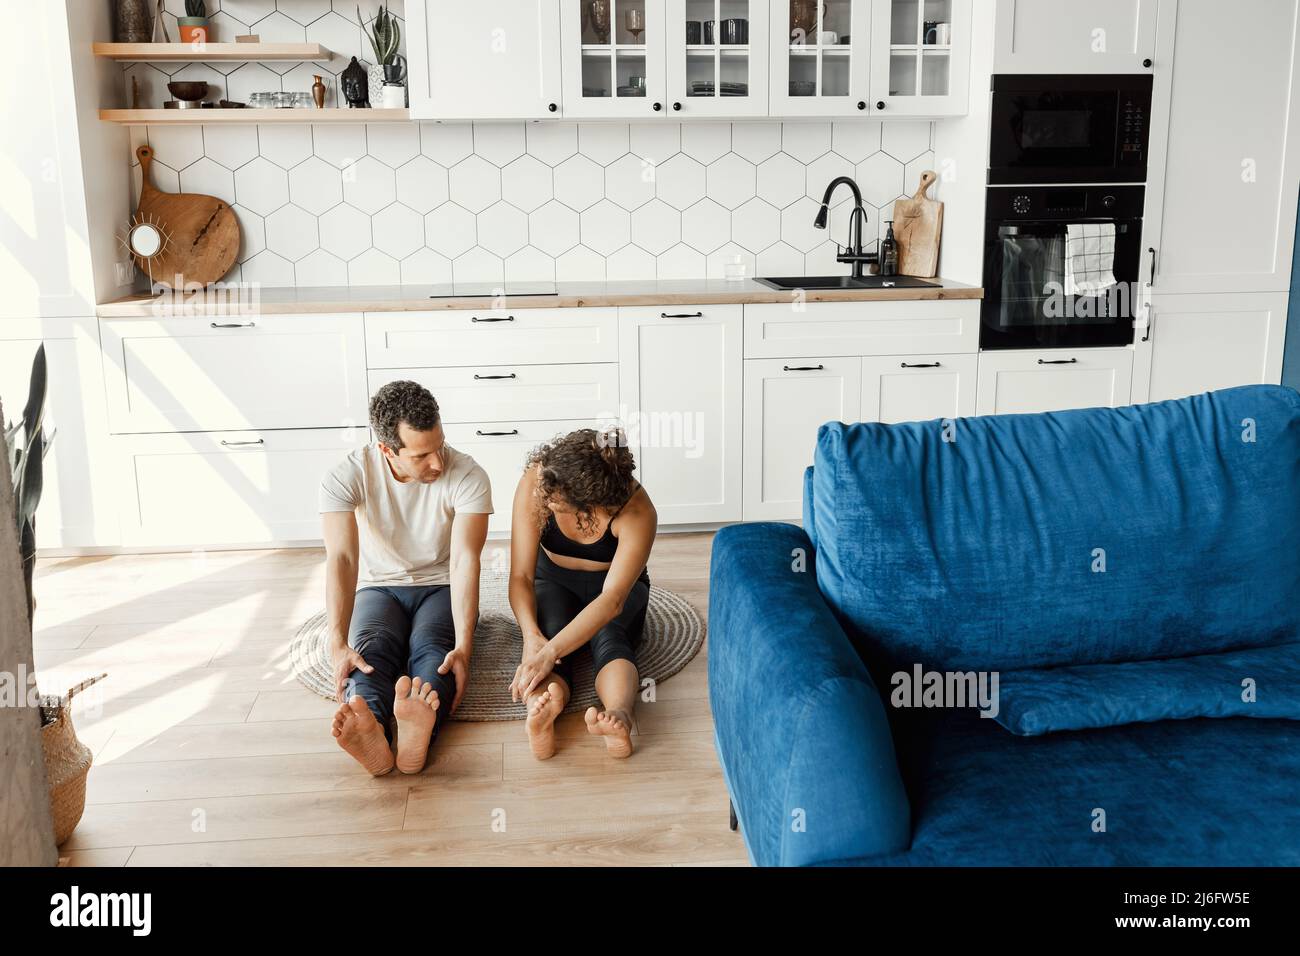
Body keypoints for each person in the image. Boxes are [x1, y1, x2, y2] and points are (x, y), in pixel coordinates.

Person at [318, 381, 491, 775]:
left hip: (442, 584)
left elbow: (465, 560)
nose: (438, 463)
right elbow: (342, 558)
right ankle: (373, 729)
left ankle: (419, 735)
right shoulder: (346, 475)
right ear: (386, 450)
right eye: (422, 455)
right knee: (371, 652)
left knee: (435, 651)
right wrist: (337, 643)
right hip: (379, 587)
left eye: (440, 445)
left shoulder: (469, 474)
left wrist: (465, 646)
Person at [507, 427, 657, 760]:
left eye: (556, 503)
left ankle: (618, 715)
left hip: (614, 590)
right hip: (553, 582)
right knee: (548, 632)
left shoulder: (637, 512)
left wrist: (550, 652)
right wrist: (533, 637)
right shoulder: (541, 480)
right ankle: (543, 713)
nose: (546, 500)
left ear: (589, 507)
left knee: (611, 636)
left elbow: (611, 601)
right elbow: (520, 575)